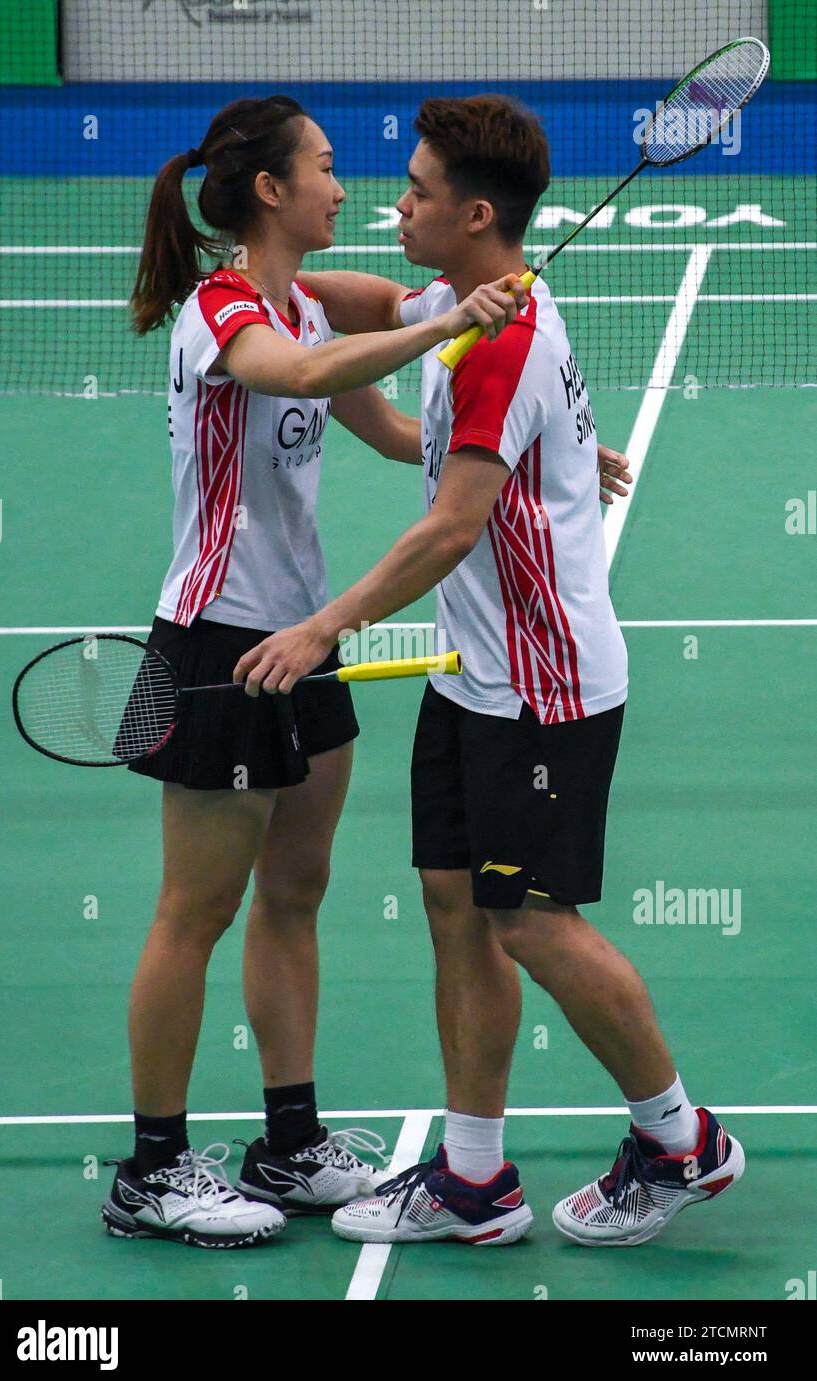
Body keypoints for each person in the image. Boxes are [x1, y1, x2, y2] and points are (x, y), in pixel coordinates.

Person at [234, 94, 745, 1249]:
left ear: (472, 213)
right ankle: (472, 1180)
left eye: (413, 192)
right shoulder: (478, 307)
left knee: (533, 921)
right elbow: (367, 301)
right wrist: (260, 285)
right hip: (476, 676)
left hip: (541, 687)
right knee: (458, 909)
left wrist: (326, 629)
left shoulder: (499, 345)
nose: (392, 204)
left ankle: (680, 1139)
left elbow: (451, 526)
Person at [101, 93, 528, 1250]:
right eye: (330, 169)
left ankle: (288, 1137)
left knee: (295, 894)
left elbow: (392, 419)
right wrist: (444, 326)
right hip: (217, 646)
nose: (348, 188)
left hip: (304, 640)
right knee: (193, 910)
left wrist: (534, 434)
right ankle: (151, 1167)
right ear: (275, 191)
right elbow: (295, 375)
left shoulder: (300, 298)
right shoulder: (225, 309)